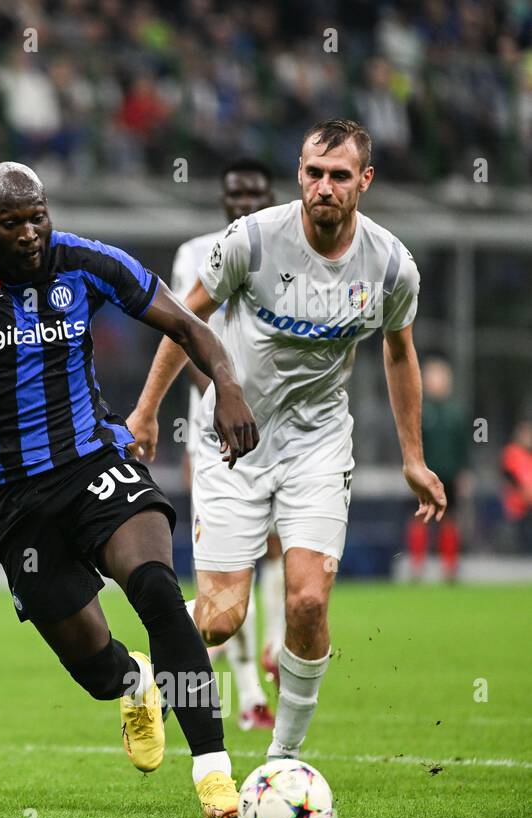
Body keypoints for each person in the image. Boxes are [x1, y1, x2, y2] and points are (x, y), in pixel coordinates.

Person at [0, 161, 259, 818]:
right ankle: (133, 684)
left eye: (36, 217)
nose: (28, 233)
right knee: (92, 666)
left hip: (93, 465)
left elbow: (188, 324)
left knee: (159, 591)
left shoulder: (85, 262)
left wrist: (225, 383)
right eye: (11, 223)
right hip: (14, 501)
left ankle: (215, 774)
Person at [127, 119, 446, 763]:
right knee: (221, 618)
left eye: (339, 176)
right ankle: (144, 675)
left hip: (319, 445)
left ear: (365, 181)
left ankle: (284, 759)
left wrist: (413, 457)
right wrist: (145, 412)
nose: (324, 187)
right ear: (300, 175)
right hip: (234, 443)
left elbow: (400, 352)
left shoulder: (390, 265)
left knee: (305, 598)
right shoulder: (252, 239)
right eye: (314, 174)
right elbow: (184, 320)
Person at [169, 157, 281, 726]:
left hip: (283, 435)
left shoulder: (289, 249)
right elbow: (186, 334)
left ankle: (275, 650)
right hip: (214, 436)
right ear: (223, 200)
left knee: (276, 555)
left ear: (270, 195)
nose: (245, 203)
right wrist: (226, 396)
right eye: (235, 194)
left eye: (255, 193)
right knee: (225, 572)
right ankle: (248, 694)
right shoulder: (196, 254)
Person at [408, 355, 469, 580]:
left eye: (441, 377)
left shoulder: (456, 413)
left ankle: (450, 568)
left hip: (450, 476)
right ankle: (417, 567)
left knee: (450, 519)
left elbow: (465, 446)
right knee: (420, 518)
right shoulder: (420, 412)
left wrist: (464, 473)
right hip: (425, 475)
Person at [501, 419, 532, 552]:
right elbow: (508, 474)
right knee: (520, 537)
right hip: (517, 503)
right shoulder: (512, 451)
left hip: (529, 501)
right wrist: (522, 491)